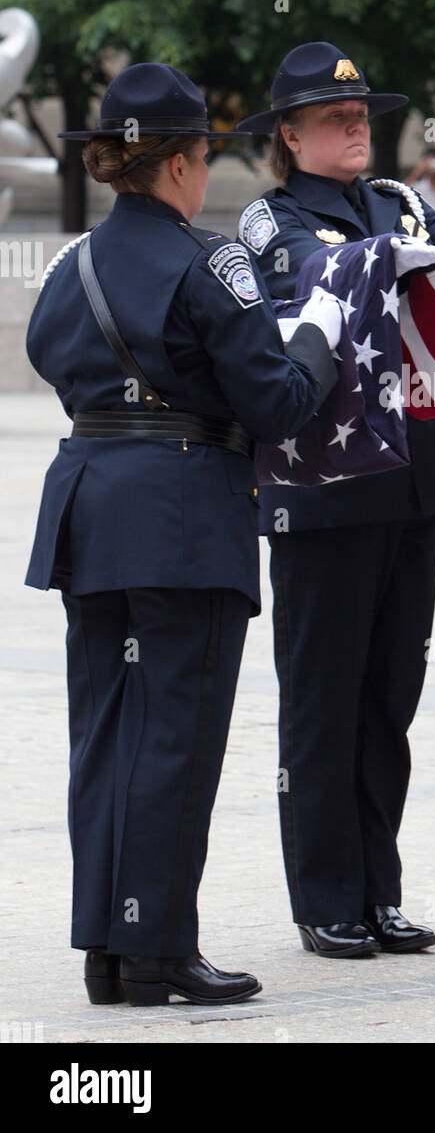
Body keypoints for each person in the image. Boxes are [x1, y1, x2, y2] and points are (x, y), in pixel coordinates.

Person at [26, 63, 342, 1004]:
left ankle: (112, 950)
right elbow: (278, 401)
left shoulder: (69, 263)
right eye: (207, 157)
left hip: (92, 504)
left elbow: (50, 350)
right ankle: (160, 946)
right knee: (176, 736)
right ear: (180, 166)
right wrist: (320, 332)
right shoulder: (212, 264)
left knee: (108, 736)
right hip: (182, 515)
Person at [236, 41, 435, 957]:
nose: (356, 128)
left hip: (411, 478)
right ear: (290, 135)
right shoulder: (268, 218)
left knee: (391, 694)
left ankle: (379, 890)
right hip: (325, 489)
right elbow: (316, 277)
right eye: (335, 118)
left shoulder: (402, 204)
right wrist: (410, 257)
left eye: (362, 116)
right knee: (322, 696)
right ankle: (326, 898)